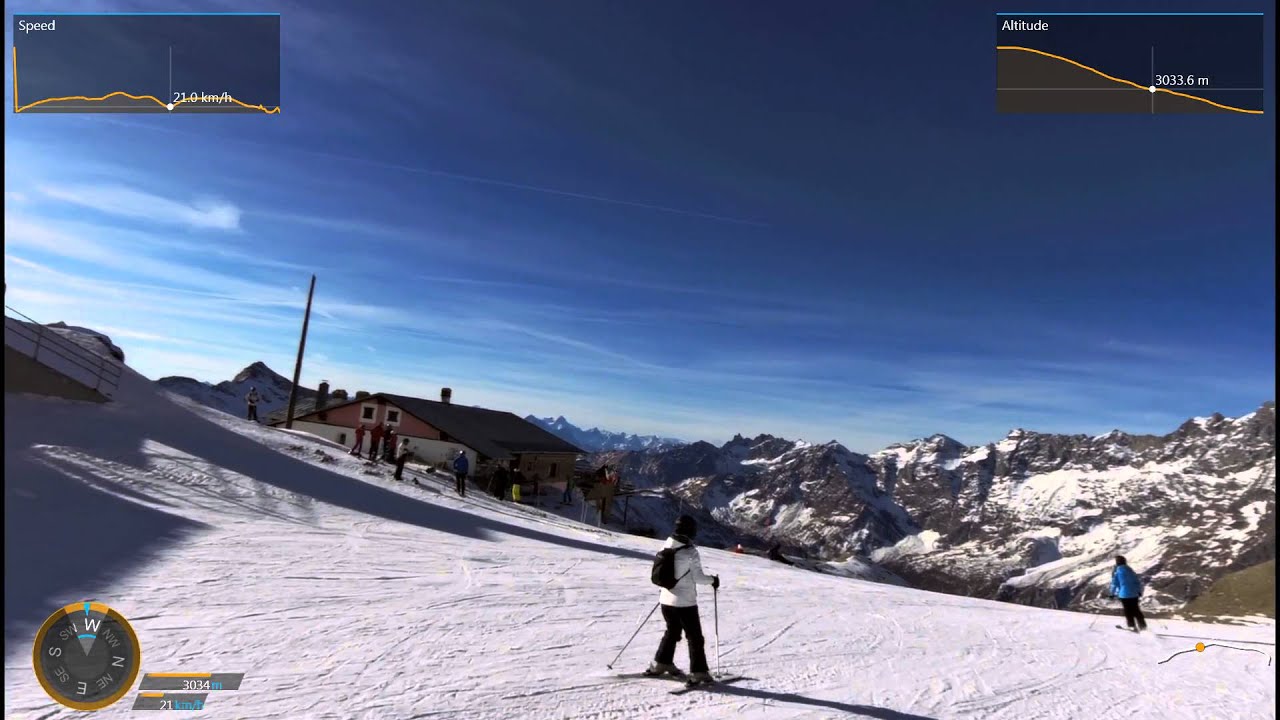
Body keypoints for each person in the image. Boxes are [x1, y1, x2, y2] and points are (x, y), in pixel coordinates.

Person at [647, 514, 720, 685]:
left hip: (665, 599)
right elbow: (698, 578)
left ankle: (661, 663)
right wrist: (713, 580)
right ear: (690, 530)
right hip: (685, 602)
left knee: (672, 632)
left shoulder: (666, 545)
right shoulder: (690, 552)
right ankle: (699, 672)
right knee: (695, 637)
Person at [1111, 555, 1147, 632]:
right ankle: (1143, 626)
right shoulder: (1131, 571)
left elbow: (1115, 583)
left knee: (1128, 610)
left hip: (1124, 594)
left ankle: (1132, 626)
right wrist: (1139, 591)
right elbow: (1137, 582)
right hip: (1134, 593)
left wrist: (1112, 593)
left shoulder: (1117, 572)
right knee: (1136, 610)